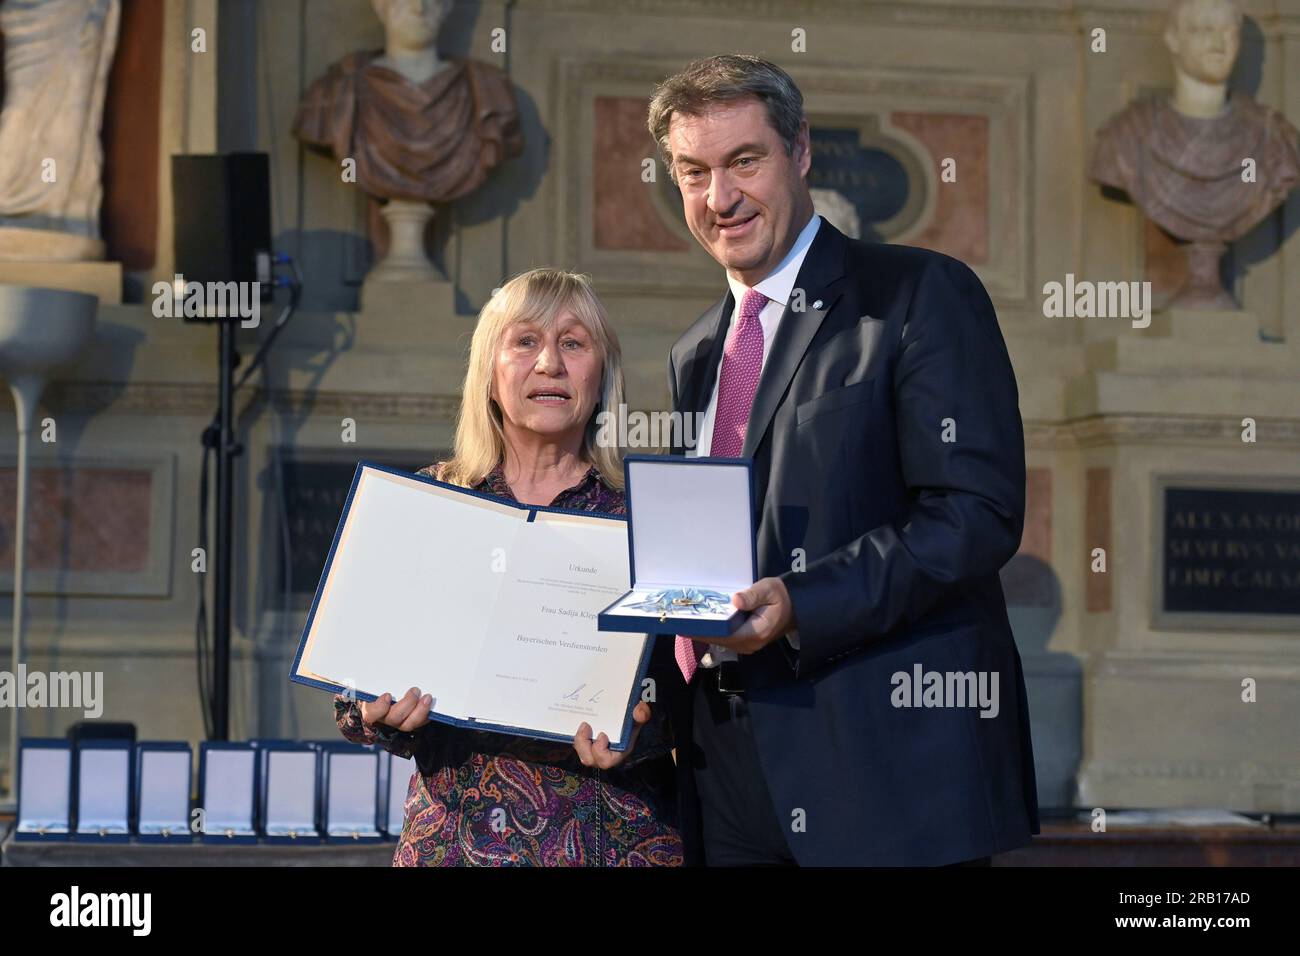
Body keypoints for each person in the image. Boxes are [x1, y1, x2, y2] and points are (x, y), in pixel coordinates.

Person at [648, 54, 1040, 866]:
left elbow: (975, 516)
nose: (719, 198)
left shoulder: (917, 294)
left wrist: (800, 601)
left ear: (800, 151)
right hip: (727, 770)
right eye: (694, 172)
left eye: (743, 161)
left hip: (887, 774)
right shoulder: (696, 352)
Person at [334, 268, 681, 866]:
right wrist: (378, 712)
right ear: (489, 374)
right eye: (524, 341)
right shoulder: (427, 503)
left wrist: (642, 734)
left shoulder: (651, 519)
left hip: (616, 840)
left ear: (602, 378)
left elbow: (693, 696)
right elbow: (348, 689)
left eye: (573, 342)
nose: (549, 362)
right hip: (455, 843)